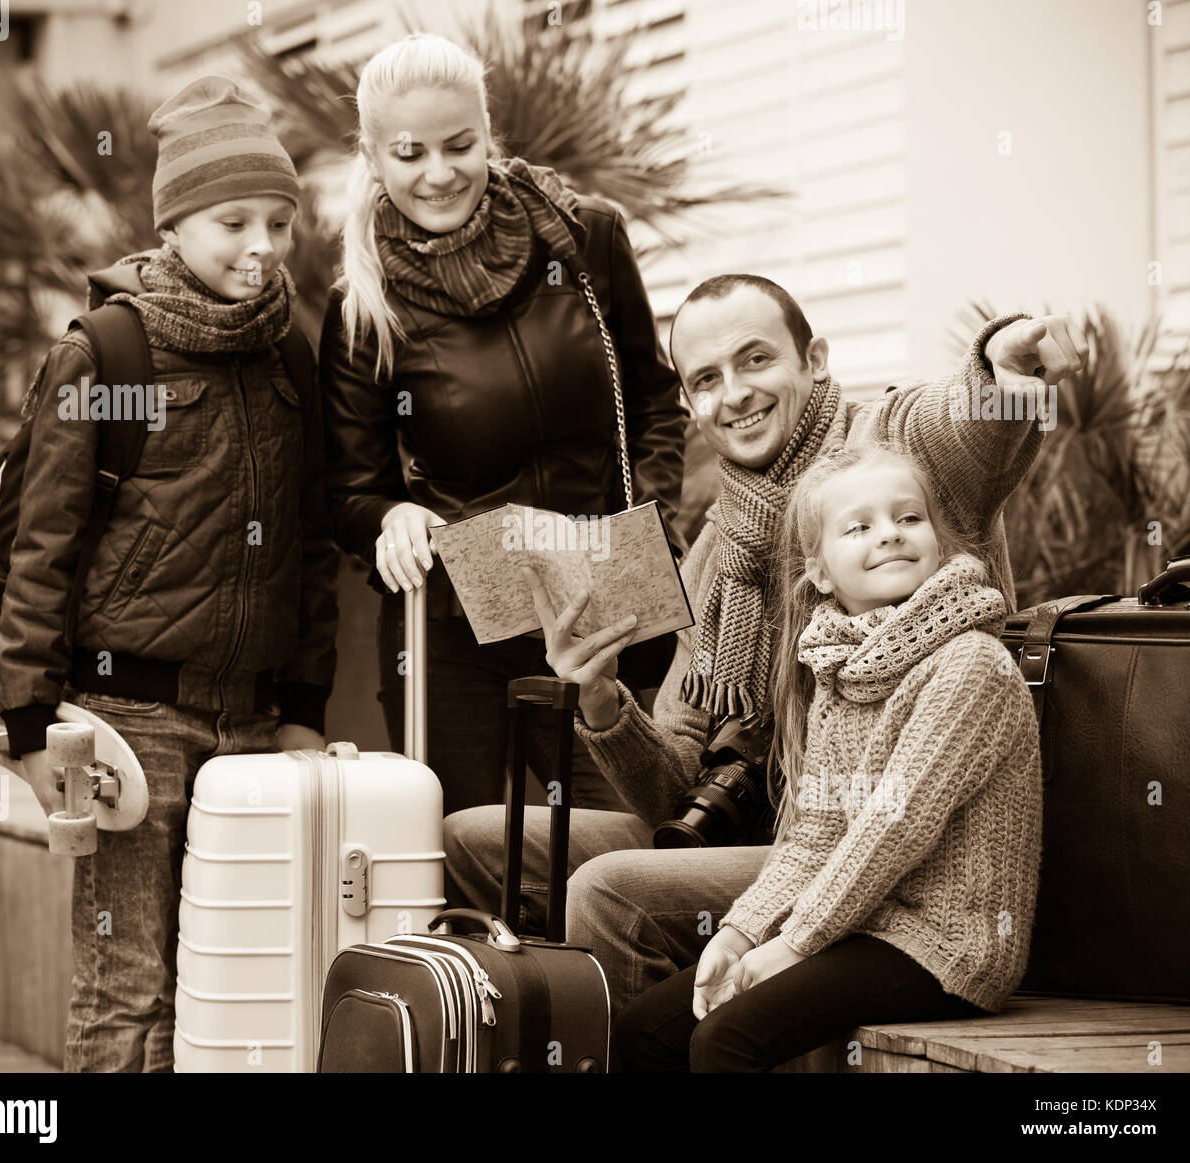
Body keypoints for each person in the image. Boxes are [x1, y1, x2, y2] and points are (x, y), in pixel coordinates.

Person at [444, 274, 1086, 1001]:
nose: (735, 393)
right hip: (754, 834)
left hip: (866, 853)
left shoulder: (889, 451)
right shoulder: (717, 548)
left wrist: (1003, 363)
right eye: (707, 379)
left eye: (756, 360)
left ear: (814, 358)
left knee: (605, 891)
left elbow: (965, 419)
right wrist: (598, 698)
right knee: (473, 837)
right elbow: (670, 794)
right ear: (690, 403)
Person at [0, 76, 340, 1072]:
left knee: (232, 972)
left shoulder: (288, 359)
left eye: (279, 219)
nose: (261, 244)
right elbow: (42, 546)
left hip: (253, 724)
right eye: (233, 220)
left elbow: (311, 547)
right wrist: (29, 720)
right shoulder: (106, 350)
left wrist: (303, 701)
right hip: (123, 720)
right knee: (125, 977)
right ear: (176, 221)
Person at [320, 32, 687, 816]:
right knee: (462, 863)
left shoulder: (588, 238)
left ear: (489, 131)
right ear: (373, 155)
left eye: (461, 144)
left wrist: (645, 524)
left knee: (613, 849)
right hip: (454, 633)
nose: (440, 172)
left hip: (601, 608)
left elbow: (655, 400)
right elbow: (350, 489)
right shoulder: (362, 302)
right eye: (410, 153)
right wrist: (390, 516)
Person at [611, 444, 1043, 1070]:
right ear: (818, 569)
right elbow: (814, 835)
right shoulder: (839, 671)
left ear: (941, 539)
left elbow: (892, 830)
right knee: (646, 1028)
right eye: (859, 527)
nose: (889, 536)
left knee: (725, 1039)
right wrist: (741, 933)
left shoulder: (970, 665)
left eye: (909, 518)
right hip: (863, 927)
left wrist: (791, 945)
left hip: (946, 945)